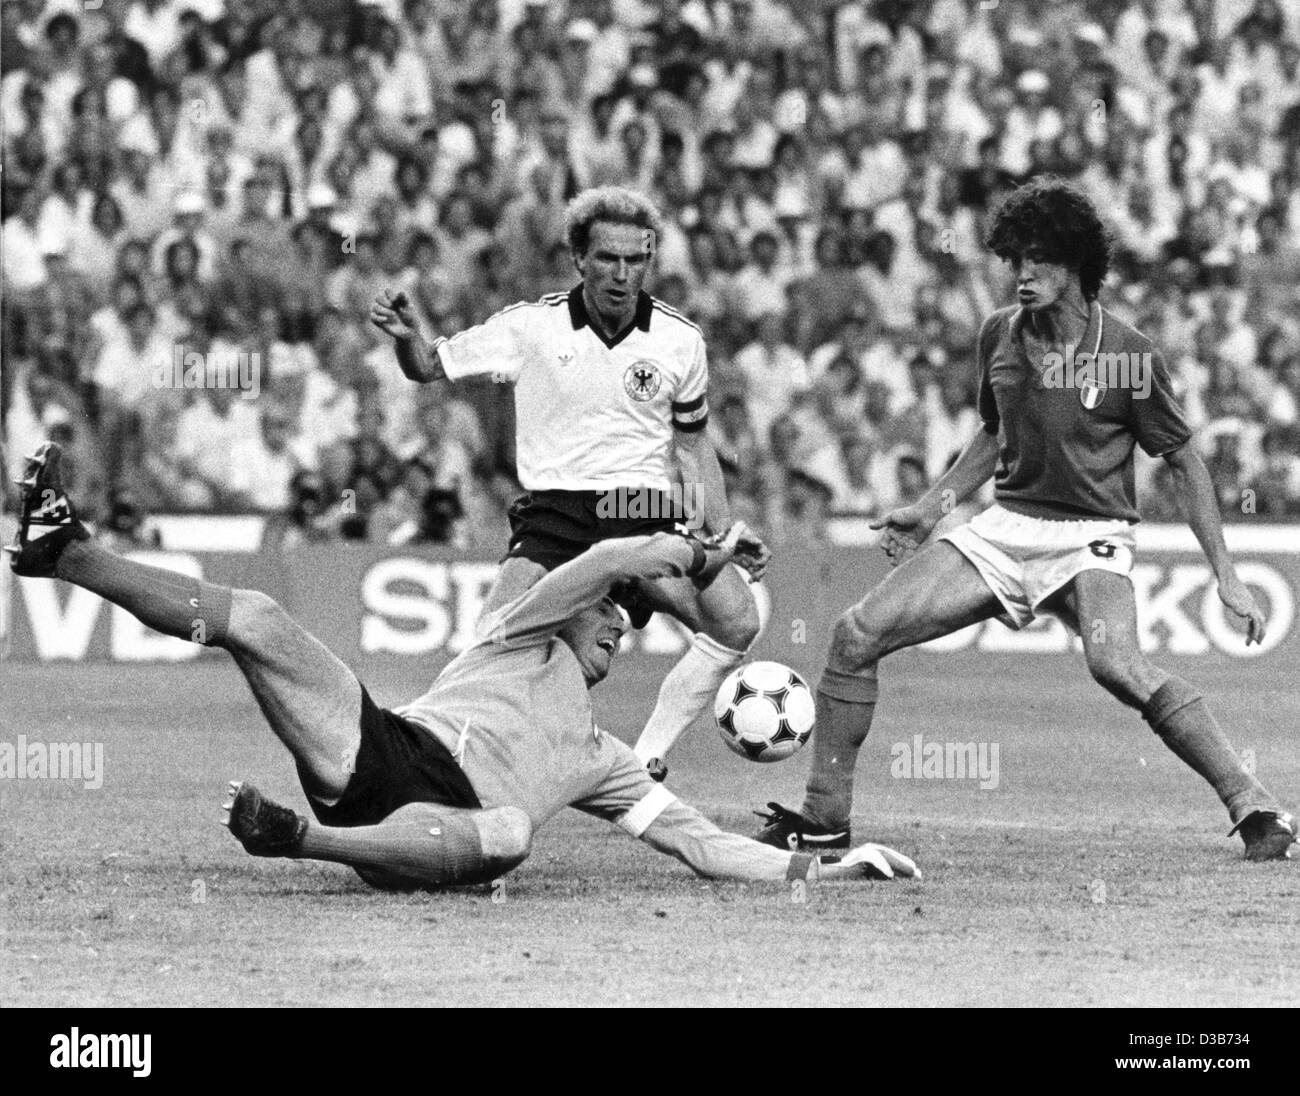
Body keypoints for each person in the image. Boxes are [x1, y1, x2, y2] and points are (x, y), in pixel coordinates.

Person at [5, 442, 918, 889]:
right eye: (612, 621)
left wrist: (827, 871)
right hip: (385, 752)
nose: (618, 632)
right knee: (263, 618)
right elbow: (601, 567)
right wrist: (693, 547)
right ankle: (71, 553)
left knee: (514, 835)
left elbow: (703, 845)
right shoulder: (517, 630)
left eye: (626, 632)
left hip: (443, 829)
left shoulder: (606, 758)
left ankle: (297, 842)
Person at [753, 177, 1297, 862]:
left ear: (1077, 264)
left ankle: (1257, 808)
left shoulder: (1129, 354)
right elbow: (990, 434)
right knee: (855, 633)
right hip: (1007, 528)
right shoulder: (997, 335)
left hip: (1090, 537)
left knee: (1118, 665)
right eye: (1013, 258)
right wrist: (930, 508)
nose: (1022, 273)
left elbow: (1185, 463)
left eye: (1038, 258)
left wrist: (1228, 576)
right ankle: (824, 818)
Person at [370, 185, 767, 783]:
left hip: (643, 507)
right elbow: (429, 366)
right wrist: (407, 338)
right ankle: (421, 759)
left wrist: (721, 530)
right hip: (559, 512)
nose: (622, 273)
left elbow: (692, 443)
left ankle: (647, 754)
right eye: (608, 258)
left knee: (737, 622)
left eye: (636, 260)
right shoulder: (532, 328)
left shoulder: (681, 341)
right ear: (579, 258)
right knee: (490, 647)